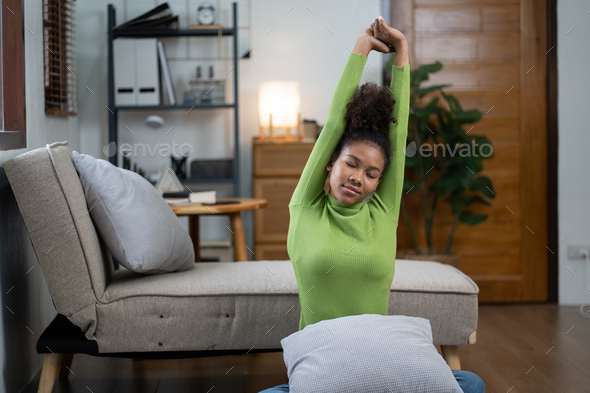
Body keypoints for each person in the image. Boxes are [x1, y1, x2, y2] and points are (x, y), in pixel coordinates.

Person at [259, 17, 485, 393]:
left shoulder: (383, 212)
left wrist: (403, 53)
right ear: (331, 162)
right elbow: (333, 126)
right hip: (325, 361)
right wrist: (362, 47)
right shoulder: (305, 208)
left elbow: (397, 133)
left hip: (380, 356)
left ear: (380, 181)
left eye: (371, 173)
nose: (358, 177)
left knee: (470, 383)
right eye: (351, 163)